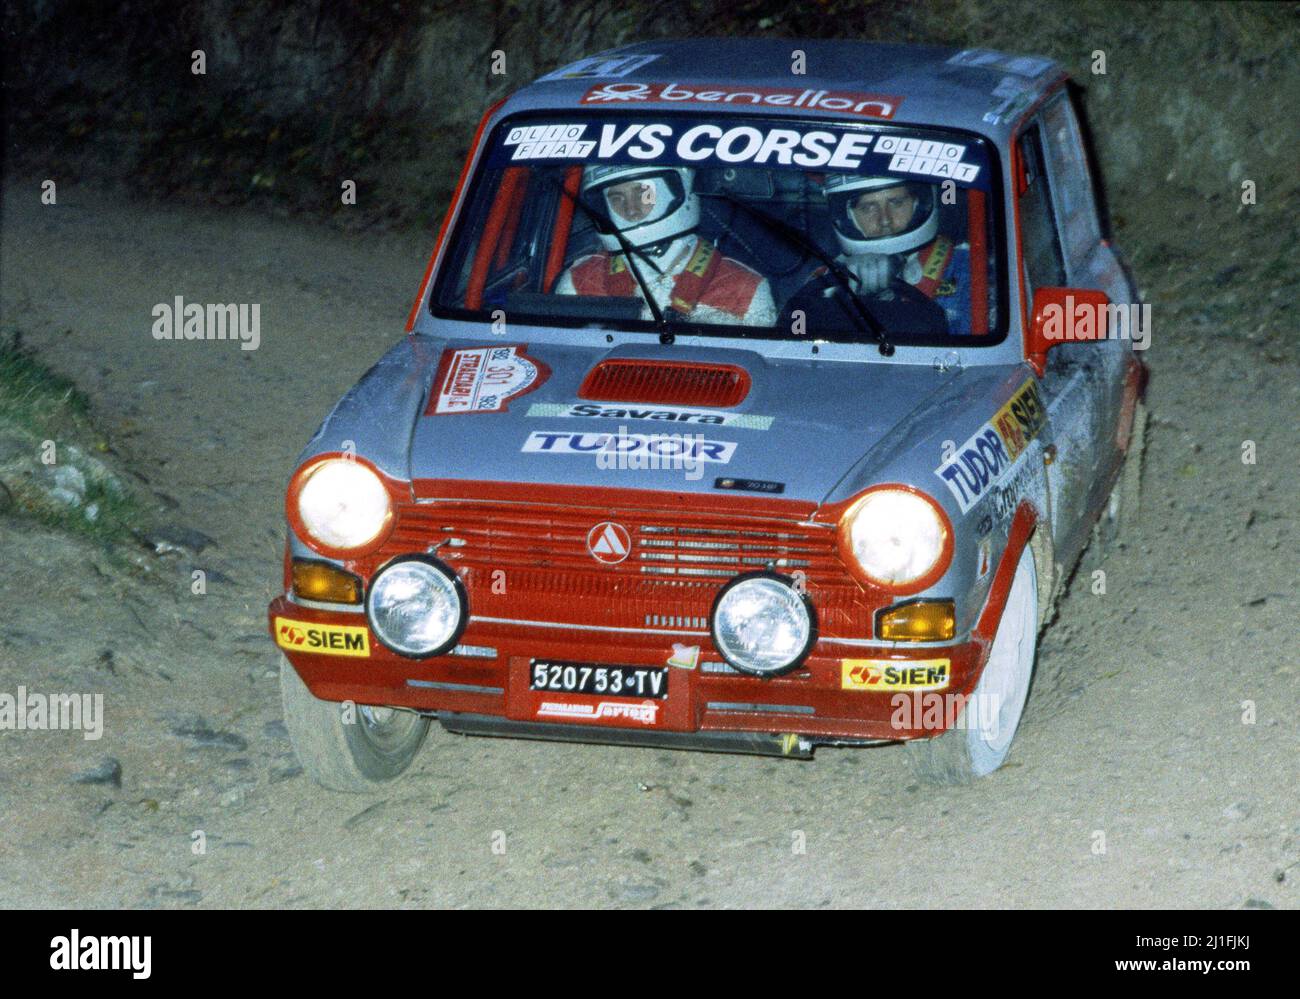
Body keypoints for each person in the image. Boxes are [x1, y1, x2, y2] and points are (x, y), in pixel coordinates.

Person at [555, 164, 777, 327]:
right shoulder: (579, 280)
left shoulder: (745, 289)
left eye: (642, 193)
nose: (630, 210)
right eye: (616, 199)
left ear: (674, 191)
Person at [781, 174, 972, 336]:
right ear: (848, 216)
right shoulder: (825, 280)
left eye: (897, 203)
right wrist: (851, 297)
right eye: (868, 208)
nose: (885, 220)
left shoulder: (969, 268)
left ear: (918, 204)